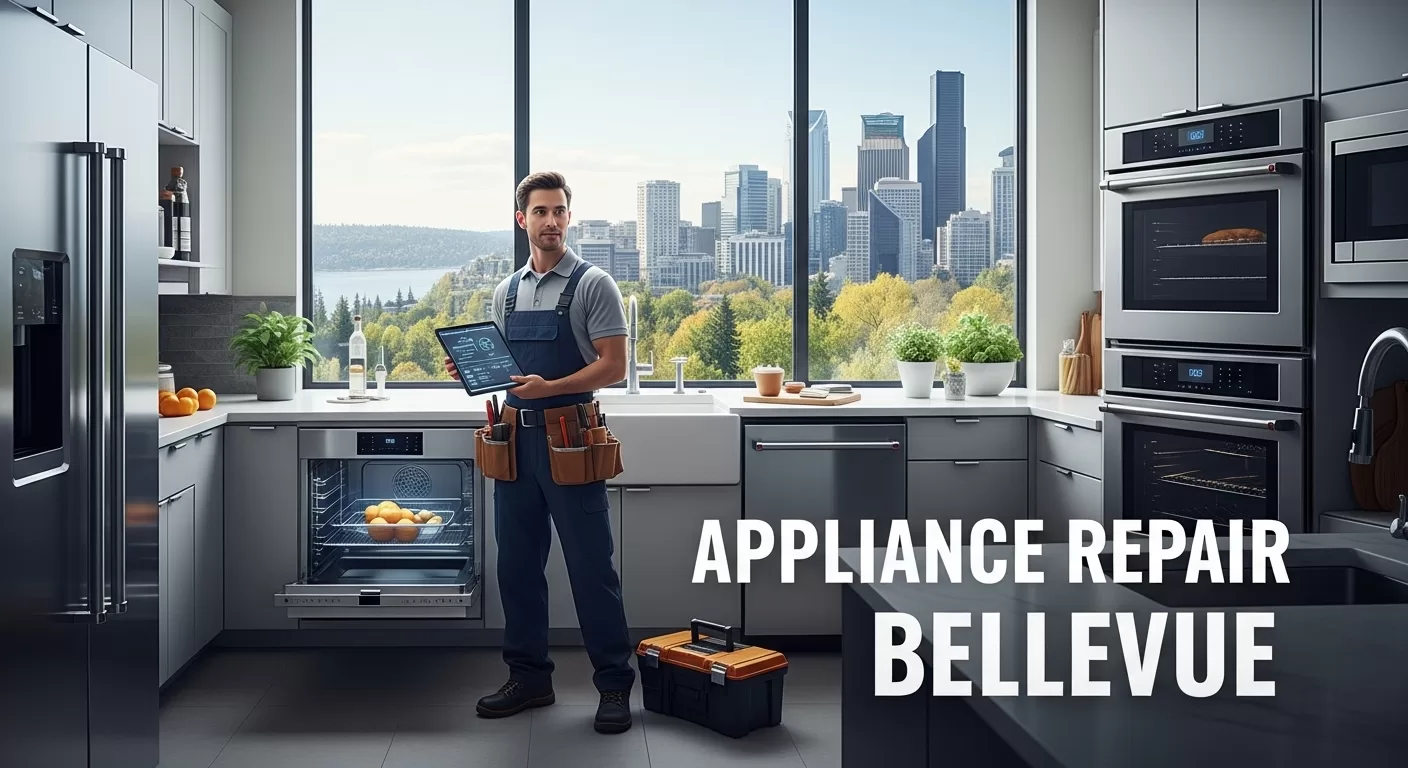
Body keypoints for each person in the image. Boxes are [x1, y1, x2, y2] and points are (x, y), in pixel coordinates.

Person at [444, 171, 634, 734]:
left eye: (559, 211)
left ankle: (614, 685)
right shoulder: (506, 291)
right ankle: (529, 679)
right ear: (521, 219)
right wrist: (469, 370)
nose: (551, 221)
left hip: (570, 438)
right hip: (513, 442)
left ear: (568, 218)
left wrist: (550, 388)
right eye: (540, 212)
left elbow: (614, 366)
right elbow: (506, 370)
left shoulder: (594, 284)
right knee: (518, 569)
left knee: (591, 569)